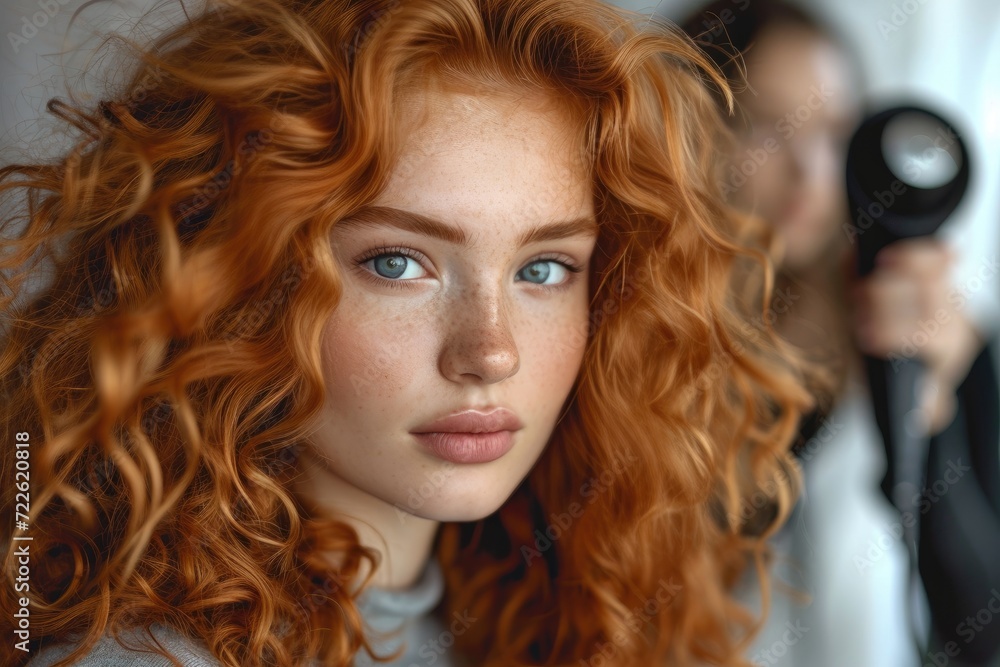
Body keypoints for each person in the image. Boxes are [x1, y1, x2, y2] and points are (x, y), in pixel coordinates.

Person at [0, 0, 817, 665]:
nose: (490, 352)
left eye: (542, 269)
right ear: (236, 283)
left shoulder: (542, 621)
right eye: (397, 263)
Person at [678, 1, 995, 665]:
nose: (809, 171)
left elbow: (980, 625)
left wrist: (926, 417)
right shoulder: (636, 343)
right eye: (765, 127)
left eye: (832, 134)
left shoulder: (934, 335)